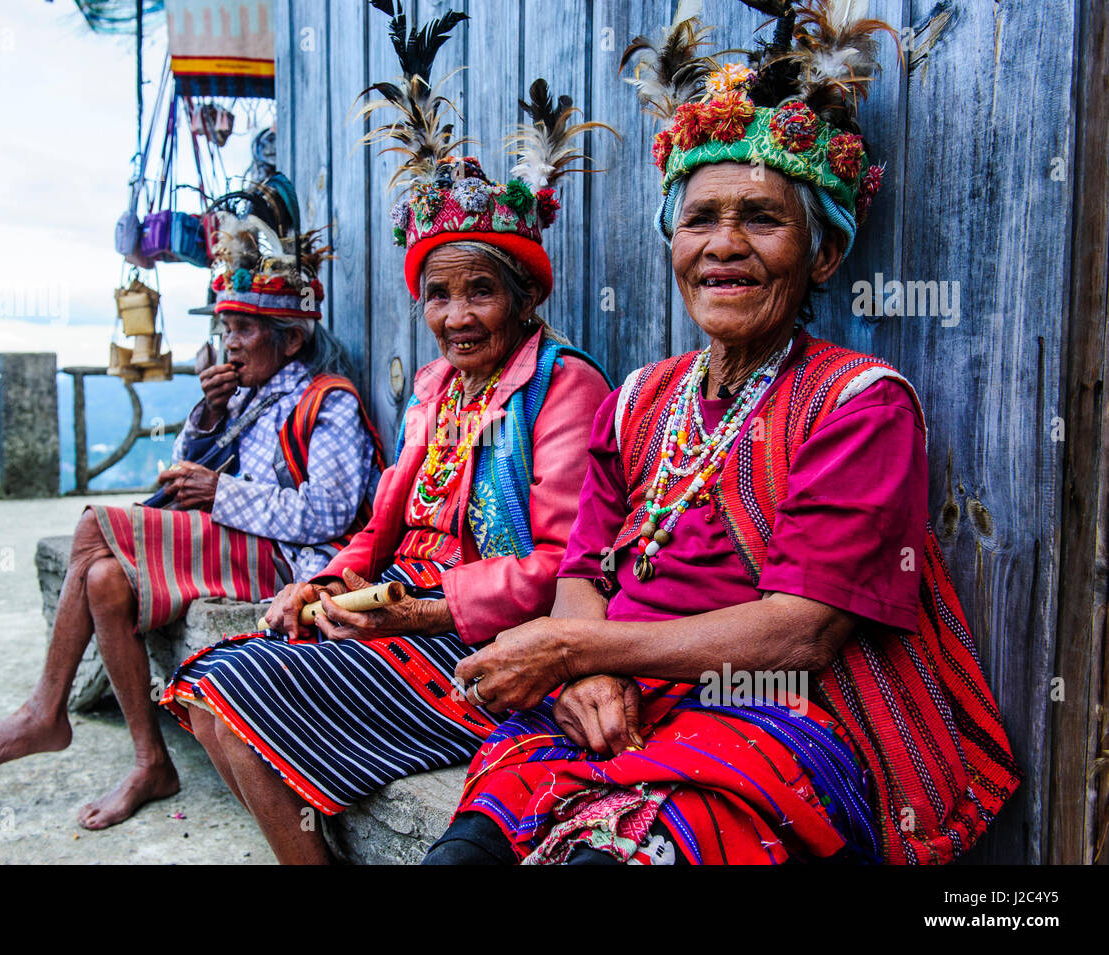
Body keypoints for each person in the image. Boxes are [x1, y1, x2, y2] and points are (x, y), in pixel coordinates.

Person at [427, 1, 1020, 865]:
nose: (724, 246)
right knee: (465, 856)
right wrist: (587, 671)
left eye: (763, 218)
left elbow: (798, 634)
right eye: (700, 218)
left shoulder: (860, 404)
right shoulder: (639, 399)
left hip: (773, 718)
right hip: (613, 698)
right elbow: (586, 568)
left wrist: (574, 647)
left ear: (821, 254)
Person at [158, 4, 614, 864]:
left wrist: (429, 610)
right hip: (395, 603)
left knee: (226, 692)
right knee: (209, 686)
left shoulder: (563, 385)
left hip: (484, 639)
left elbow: (563, 565)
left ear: (523, 299)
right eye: (439, 295)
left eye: (480, 290)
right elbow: (377, 521)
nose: (455, 315)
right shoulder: (438, 387)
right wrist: (329, 578)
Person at [0, 219, 383, 831]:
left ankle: (45, 710)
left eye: (245, 329)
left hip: (284, 561)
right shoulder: (248, 392)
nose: (230, 344)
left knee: (96, 522)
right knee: (102, 579)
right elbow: (188, 468)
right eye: (226, 328)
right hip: (227, 542)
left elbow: (329, 513)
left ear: (289, 341)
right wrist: (208, 415)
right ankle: (152, 763)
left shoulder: (328, 402)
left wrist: (219, 491)